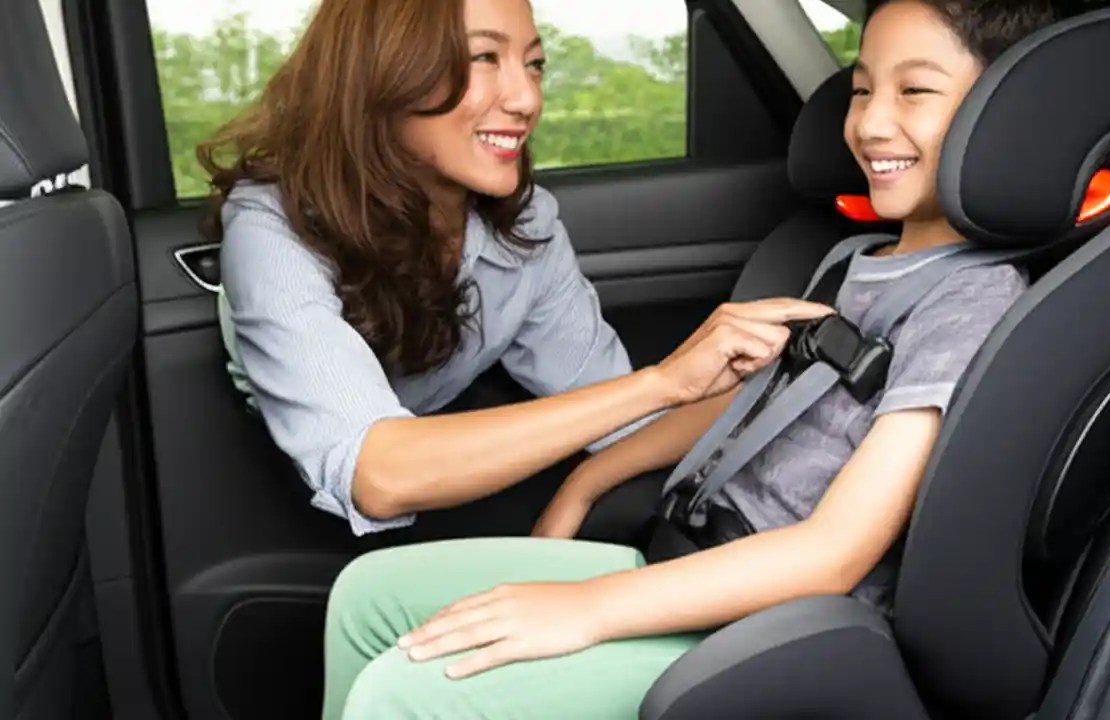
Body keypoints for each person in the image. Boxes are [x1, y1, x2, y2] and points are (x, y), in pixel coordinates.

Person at [321, 0, 1060, 717]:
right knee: (368, 599)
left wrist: (586, 608)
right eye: (862, 87)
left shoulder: (972, 302)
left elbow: (834, 554)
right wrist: (589, 478)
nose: (869, 121)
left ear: (1000, 115)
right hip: (691, 567)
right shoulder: (850, 261)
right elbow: (755, 398)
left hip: (774, 631)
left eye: (915, 91)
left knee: (409, 694)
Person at [202, 0, 830, 538]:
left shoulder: (522, 222)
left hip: (443, 450)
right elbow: (381, 474)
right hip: (299, 491)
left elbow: (620, 419)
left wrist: (811, 403)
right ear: (383, 74)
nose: (527, 99)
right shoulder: (272, 227)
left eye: (533, 64)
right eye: (485, 59)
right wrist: (664, 381)